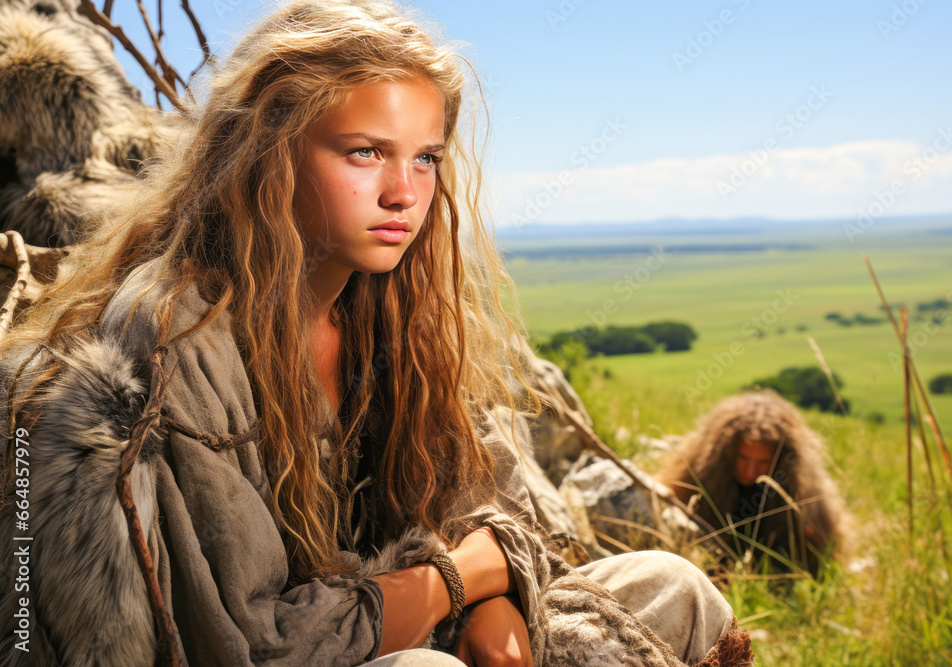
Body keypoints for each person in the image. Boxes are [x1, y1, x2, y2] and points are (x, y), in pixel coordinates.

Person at [0, 1, 747, 665]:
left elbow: (481, 503)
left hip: (403, 623)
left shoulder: (390, 312)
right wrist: (463, 579)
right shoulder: (183, 338)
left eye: (425, 158)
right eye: (365, 152)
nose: (404, 193)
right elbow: (258, 644)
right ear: (269, 151)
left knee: (672, 589)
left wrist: (495, 602)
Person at [660, 391, 854, 578]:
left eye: (762, 463)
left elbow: (822, 550)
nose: (750, 471)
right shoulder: (697, 473)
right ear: (727, 453)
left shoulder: (800, 492)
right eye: (742, 458)